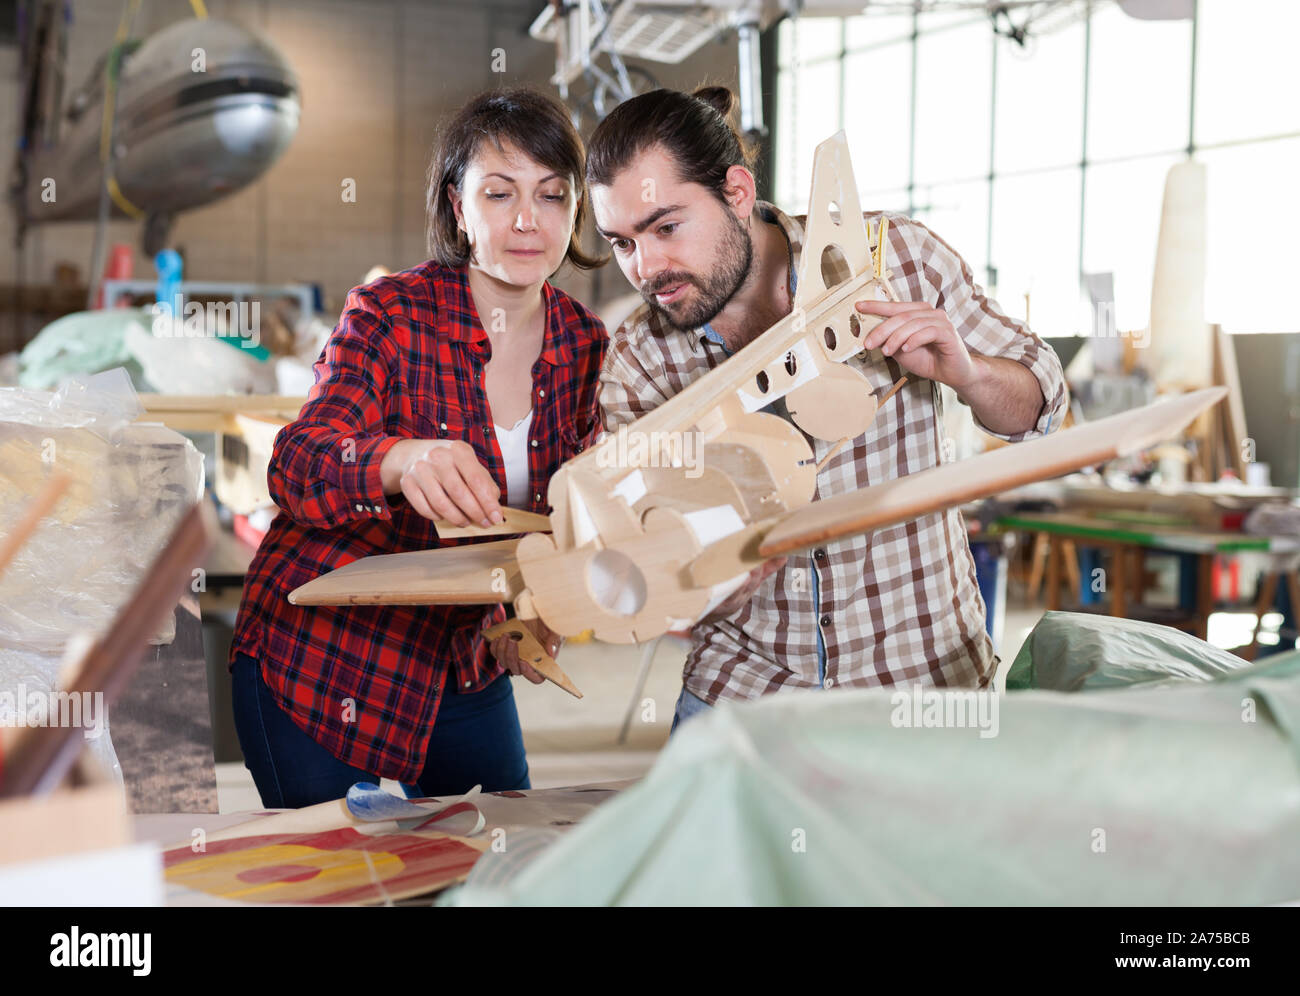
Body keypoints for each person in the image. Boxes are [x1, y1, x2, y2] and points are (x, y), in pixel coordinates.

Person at [584, 87, 1067, 731]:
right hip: (745, 690)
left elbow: (1040, 408)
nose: (647, 268)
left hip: (924, 675)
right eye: (622, 244)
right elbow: (660, 570)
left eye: (666, 228)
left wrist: (970, 373)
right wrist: (715, 580)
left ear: (736, 191)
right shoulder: (638, 358)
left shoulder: (897, 259)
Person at [229, 88, 607, 807]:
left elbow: (567, 514)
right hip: (326, 657)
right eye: (499, 193)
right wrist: (399, 460)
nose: (527, 220)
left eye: (552, 195)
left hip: (462, 661)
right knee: (340, 863)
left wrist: (534, 609)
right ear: (459, 208)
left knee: (503, 848)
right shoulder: (390, 314)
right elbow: (296, 465)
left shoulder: (586, 345)